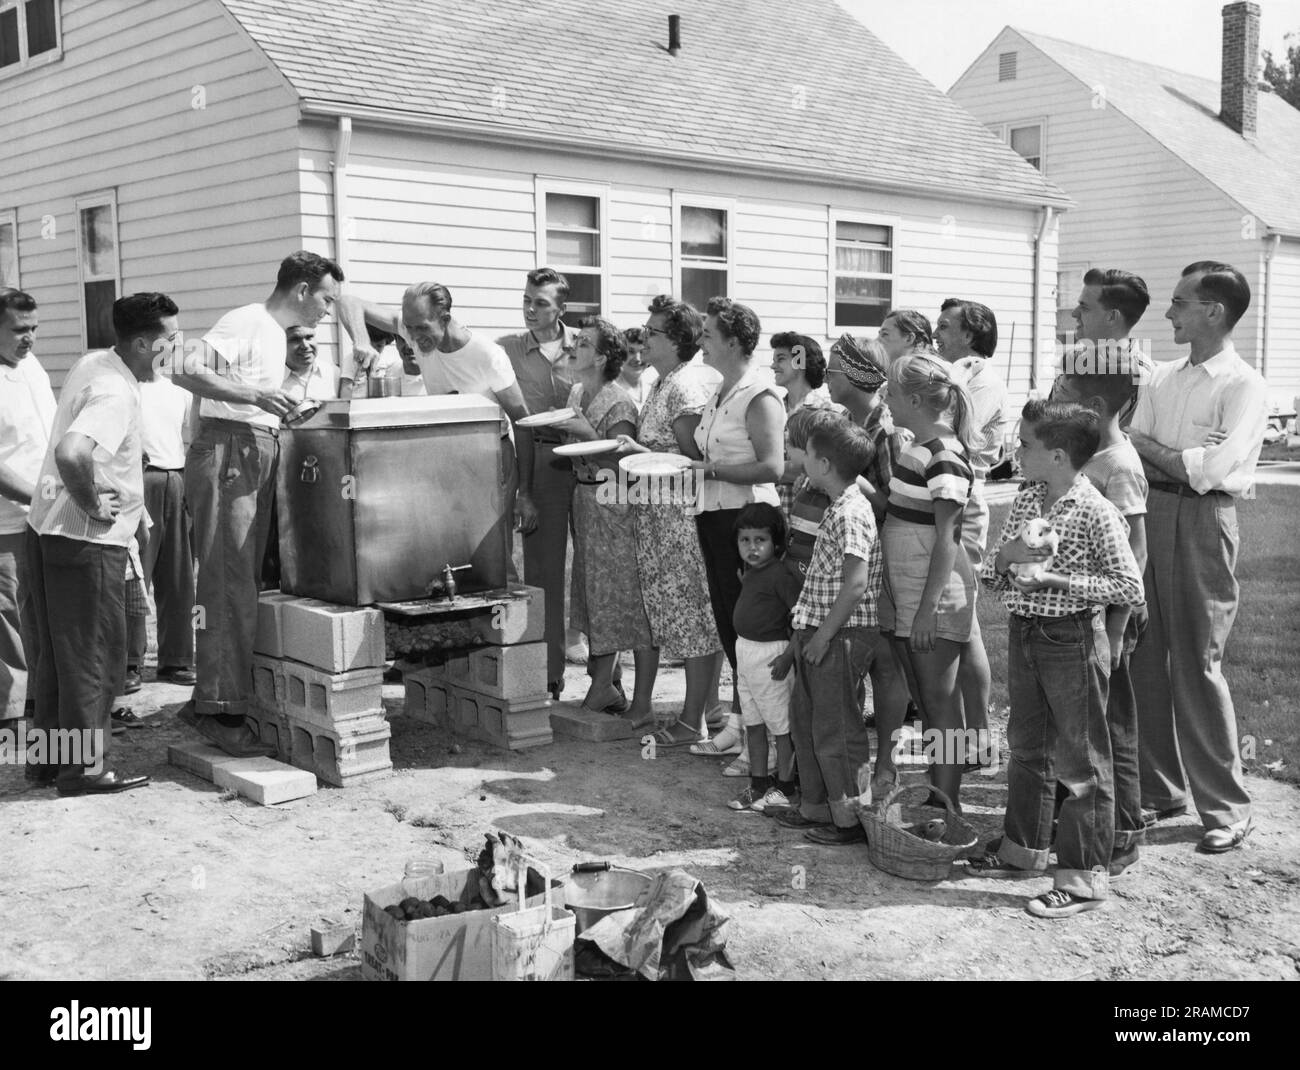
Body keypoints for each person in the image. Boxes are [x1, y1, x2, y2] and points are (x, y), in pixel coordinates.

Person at [971, 401, 1144, 919]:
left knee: (1083, 761)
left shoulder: (1095, 510)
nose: (1015, 451)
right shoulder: (1028, 499)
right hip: (1026, 633)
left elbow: (1127, 586)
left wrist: (1055, 580)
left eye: (1024, 445)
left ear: (1059, 454)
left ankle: (1083, 877)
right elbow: (994, 572)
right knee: (1027, 747)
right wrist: (1008, 559)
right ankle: (1021, 850)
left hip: (1072, 639)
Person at [174, 251, 343, 757]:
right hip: (230, 449)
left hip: (253, 447)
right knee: (227, 582)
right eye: (325, 299)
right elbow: (182, 368)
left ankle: (212, 694)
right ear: (301, 290)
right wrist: (254, 395)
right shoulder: (249, 320)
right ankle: (220, 710)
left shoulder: (273, 333)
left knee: (240, 579)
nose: (327, 310)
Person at [1127, 261, 1266, 854]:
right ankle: (1161, 789)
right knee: (1143, 653)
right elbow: (1137, 445)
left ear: (1213, 311)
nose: (1168, 312)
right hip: (1149, 512)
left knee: (1198, 662)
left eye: (1180, 303)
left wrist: (1171, 455)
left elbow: (1209, 472)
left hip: (1205, 521)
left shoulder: (1243, 385)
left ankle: (1227, 807)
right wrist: (1176, 455)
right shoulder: (1162, 376)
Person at [23, 293, 177, 795]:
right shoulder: (116, 391)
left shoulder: (95, 362)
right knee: (94, 658)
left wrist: (136, 510)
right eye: (167, 342)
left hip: (48, 530)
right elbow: (73, 454)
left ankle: (49, 761)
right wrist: (92, 504)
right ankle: (86, 770)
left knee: (58, 657)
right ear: (140, 343)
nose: (173, 351)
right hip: (85, 541)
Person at [1050, 360, 1148, 877]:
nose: (1054, 396)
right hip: (1083, 613)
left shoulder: (1119, 465)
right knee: (1086, 724)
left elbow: (1137, 552)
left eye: (1062, 393)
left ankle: (1124, 830)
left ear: (1092, 409)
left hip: (1114, 615)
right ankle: (1081, 820)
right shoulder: (1091, 457)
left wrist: (1114, 629)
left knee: (1112, 726)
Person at [614, 295, 722, 746]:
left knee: (695, 620)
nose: (645, 338)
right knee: (685, 617)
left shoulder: (684, 385)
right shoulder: (663, 382)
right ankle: (708, 710)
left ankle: (691, 718)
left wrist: (640, 454)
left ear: (678, 340)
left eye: (653, 331)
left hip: (680, 521)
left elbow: (695, 458)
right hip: (659, 519)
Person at [770, 418, 879, 845]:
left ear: (825, 463)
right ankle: (816, 806)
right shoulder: (836, 503)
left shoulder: (852, 511)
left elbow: (855, 584)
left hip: (841, 635)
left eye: (808, 453)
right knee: (808, 723)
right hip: (819, 632)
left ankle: (850, 820)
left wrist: (823, 636)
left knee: (837, 730)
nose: (800, 458)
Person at [879, 353, 978, 810]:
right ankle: (940, 793)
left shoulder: (944, 456)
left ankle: (948, 802)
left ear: (916, 399)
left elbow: (948, 536)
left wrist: (926, 609)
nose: (886, 399)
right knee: (926, 699)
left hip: (931, 598)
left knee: (942, 708)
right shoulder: (915, 448)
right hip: (909, 593)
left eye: (893, 393)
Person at [691, 298, 784, 749]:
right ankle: (743, 728)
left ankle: (761, 739)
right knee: (730, 627)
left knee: (751, 630)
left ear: (732, 342)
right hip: (713, 518)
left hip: (746, 523)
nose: (701, 341)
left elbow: (772, 467)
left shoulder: (759, 395)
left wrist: (709, 471)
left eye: (708, 334)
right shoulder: (721, 392)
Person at [552, 317, 654, 725]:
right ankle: (607, 680)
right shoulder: (577, 390)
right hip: (583, 497)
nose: (574, 345)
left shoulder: (619, 401)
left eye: (584, 342)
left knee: (610, 590)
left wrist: (584, 430)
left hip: (611, 499)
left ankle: (604, 686)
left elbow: (626, 463)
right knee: (590, 589)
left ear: (603, 356)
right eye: (576, 339)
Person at [824, 335, 913, 796]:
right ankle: (849, 761)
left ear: (858, 377)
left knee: (886, 663)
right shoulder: (842, 423)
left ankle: (887, 764)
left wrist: (849, 480)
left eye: (833, 370)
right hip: (845, 554)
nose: (824, 375)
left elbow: (899, 505)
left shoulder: (888, 432)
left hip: (880, 560)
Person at [497, 268, 579, 692]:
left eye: (541, 303)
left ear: (561, 309)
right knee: (544, 573)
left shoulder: (585, 346)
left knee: (592, 568)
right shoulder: (506, 350)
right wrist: (523, 490)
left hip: (587, 462)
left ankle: (608, 675)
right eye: (527, 300)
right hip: (538, 460)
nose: (530, 309)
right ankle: (549, 675)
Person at [935, 299, 1003, 769]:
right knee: (955, 626)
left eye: (945, 326)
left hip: (964, 498)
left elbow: (954, 430)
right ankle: (963, 734)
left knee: (962, 624)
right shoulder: (955, 372)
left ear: (970, 334)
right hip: (942, 493)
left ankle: (978, 736)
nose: (936, 333)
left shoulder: (982, 379)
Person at [725, 502, 802, 814]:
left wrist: (788, 656)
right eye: (745, 540)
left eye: (761, 540)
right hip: (745, 654)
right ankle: (758, 783)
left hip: (772, 657)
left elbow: (801, 620)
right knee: (753, 724)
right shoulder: (751, 573)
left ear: (777, 543)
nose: (752, 547)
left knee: (781, 727)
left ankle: (785, 787)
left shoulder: (782, 575)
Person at [0, 288, 54, 725]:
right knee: (8, 621)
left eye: (34, 328)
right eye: (20, 329)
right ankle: (10, 718)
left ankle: (37, 703)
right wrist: (42, 496)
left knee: (39, 614)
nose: (30, 338)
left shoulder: (31, 367)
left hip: (44, 515)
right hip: (6, 521)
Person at [125, 367, 195, 688]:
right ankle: (129, 662)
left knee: (179, 576)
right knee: (137, 574)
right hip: (141, 478)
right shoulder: (128, 386)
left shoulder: (180, 389)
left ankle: (176, 659)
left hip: (176, 478)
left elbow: (191, 439)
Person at [772, 331, 831, 518]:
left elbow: (820, 470)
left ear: (799, 361)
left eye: (780, 359)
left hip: (806, 519)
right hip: (772, 517)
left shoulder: (824, 412)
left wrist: (765, 469)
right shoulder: (773, 409)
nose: (773, 365)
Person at [282, 325, 336, 402]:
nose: (305, 345)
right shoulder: (272, 379)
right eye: (295, 339)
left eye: (309, 337)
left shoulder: (333, 374)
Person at [619, 327, 658, 410]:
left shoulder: (655, 383)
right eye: (631, 352)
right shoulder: (611, 389)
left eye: (642, 351)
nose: (637, 358)